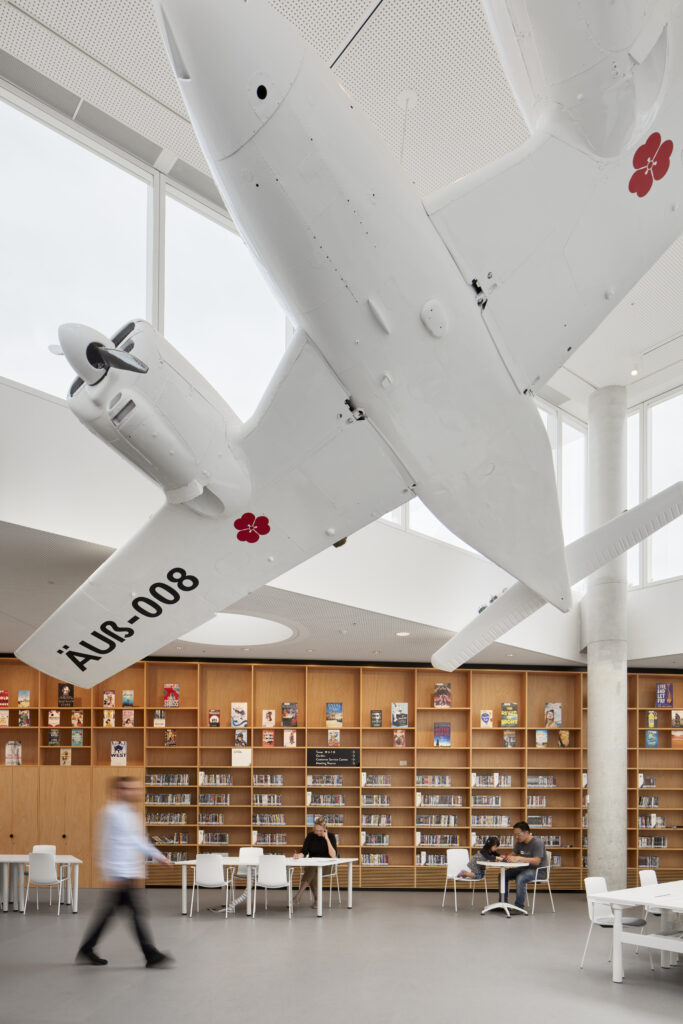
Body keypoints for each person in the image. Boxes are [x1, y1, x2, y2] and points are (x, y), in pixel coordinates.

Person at [76, 776, 173, 967]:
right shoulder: (111, 813)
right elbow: (104, 844)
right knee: (135, 913)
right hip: (119, 873)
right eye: (130, 788)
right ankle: (150, 954)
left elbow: (138, 840)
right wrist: (110, 873)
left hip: (128, 871)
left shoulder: (132, 813)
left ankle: (86, 949)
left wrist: (158, 855)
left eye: (136, 788)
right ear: (119, 791)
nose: (136, 791)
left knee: (111, 913)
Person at [292, 815, 337, 908]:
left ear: (325, 829)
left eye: (320, 831)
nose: (318, 833)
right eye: (316, 830)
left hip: (327, 866)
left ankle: (299, 895)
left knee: (313, 869)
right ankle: (317, 900)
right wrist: (298, 856)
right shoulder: (310, 836)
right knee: (314, 868)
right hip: (313, 865)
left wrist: (327, 838)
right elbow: (304, 852)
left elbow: (333, 855)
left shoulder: (331, 836)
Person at [503, 821, 546, 910]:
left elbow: (537, 861)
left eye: (518, 834)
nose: (516, 837)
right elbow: (513, 854)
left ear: (526, 832)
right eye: (515, 835)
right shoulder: (519, 842)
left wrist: (519, 858)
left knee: (520, 877)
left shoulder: (538, 842)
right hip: (524, 868)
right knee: (503, 875)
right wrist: (505, 858)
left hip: (538, 871)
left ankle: (519, 907)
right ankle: (503, 904)